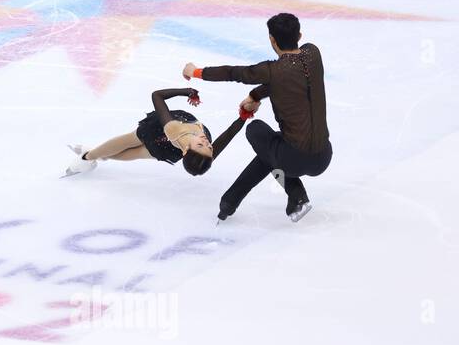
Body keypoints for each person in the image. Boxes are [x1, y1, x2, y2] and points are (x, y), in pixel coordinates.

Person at [182, 12, 332, 222]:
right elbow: (291, 79)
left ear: (272, 40)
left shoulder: (273, 70)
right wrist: (255, 95)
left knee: (256, 129)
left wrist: (195, 71)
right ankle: (229, 202)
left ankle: (295, 193)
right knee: (270, 152)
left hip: (293, 159)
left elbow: (232, 73)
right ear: (299, 36)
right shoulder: (313, 53)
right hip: (323, 157)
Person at [63, 86, 249, 177]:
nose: (206, 142)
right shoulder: (204, 155)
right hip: (166, 145)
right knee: (132, 148)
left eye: (201, 144)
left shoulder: (174, 129)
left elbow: (157, 95)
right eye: (208, 145)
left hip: (160, 134)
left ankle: (87, 157)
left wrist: (187, 91)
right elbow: (227, 137)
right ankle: (97, 156)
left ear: (186, 151)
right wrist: (242, 117)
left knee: (131, 145)